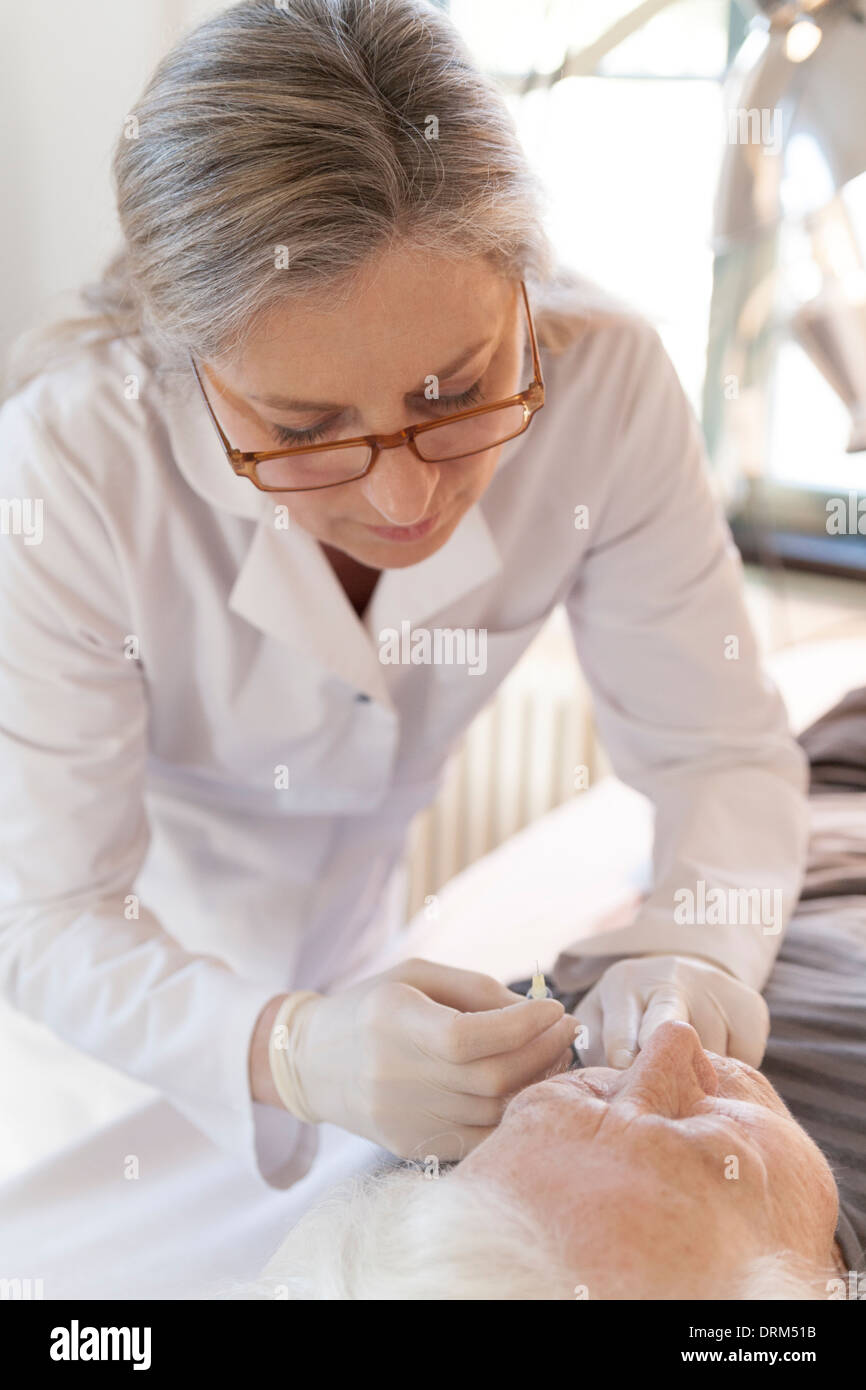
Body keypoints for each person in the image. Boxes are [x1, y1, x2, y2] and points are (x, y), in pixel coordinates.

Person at [0, 0, 807, 1191]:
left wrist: (696, 950)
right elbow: (52, 910)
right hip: (96, 1043)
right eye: (302, 429)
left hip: (367, 963)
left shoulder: (608, 385)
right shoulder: (67, 465)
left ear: (522, 285)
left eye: (455, 392)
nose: (400, 498)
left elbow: (719, 757)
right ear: (186, 363)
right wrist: (282, 1047)